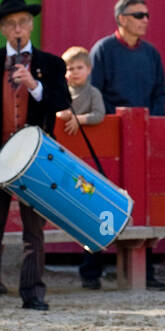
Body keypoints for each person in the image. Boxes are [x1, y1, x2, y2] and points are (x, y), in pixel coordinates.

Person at [0, 0, 70, 311]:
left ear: (31, 24)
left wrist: (34, 85)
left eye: (22, 22)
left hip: (37, 160)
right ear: (2, 30)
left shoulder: (50, 64)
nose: (17, 28)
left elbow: (61, 103)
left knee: (33, 229)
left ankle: (33, 292)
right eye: (10, 24)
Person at [59, 46, 109, 290]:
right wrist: (63, 115)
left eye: (79, 68)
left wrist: (79, 119)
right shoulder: (59, 92)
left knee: (92, 211)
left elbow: (100, 115)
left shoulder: (93, 93)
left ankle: (92, 272)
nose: (74, 72)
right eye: (70, 68)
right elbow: (53, 114)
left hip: (90, 162)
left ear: (88, 70)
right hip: (64, 162)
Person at [89, 0, 165, 116]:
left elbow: (159, 94)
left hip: (146, 126)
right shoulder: (103, 50)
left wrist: (153, 120)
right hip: (110, 125)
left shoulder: (151, 53)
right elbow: (93, 91)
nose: (145, 20)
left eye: (147, 16)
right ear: (122, 19)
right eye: (139, 16)